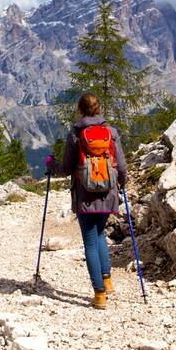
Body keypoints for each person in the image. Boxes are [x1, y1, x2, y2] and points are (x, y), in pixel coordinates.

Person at [47, 92, 127, 309]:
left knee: (90, 241)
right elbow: (120, 165)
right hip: (108, 193)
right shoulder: (111, 132)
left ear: (79, 110)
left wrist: (50, 163)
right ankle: (107, 281)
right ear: (99, 108)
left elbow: (66, 168)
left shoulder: (75, 133)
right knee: (99, 234)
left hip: (85, 194)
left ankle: (99, 294)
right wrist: (123, 183)